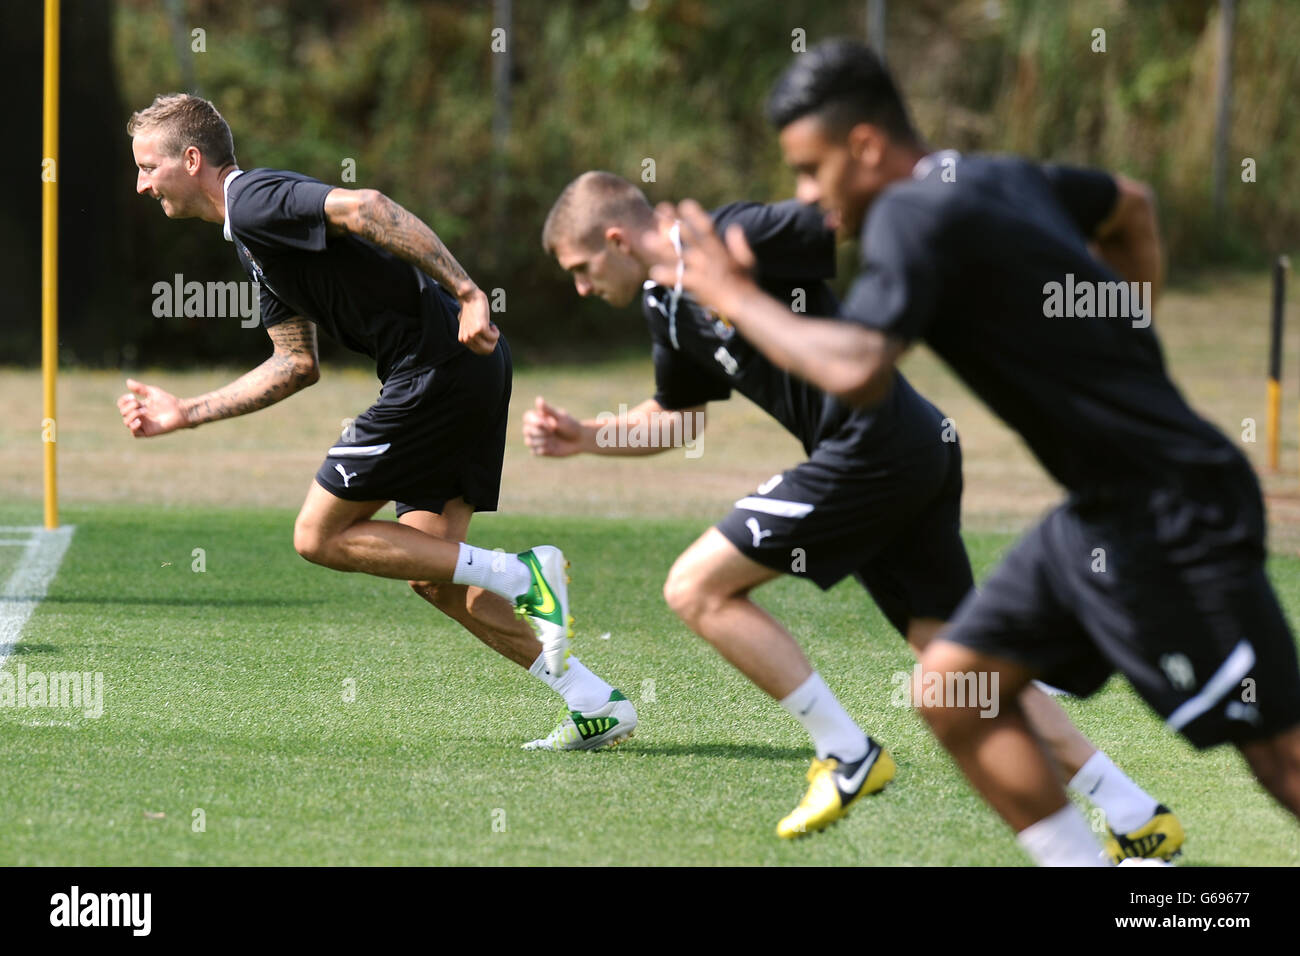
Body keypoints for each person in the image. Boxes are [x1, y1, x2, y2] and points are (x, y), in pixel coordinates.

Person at [656, 40, 1300, 865]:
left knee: (1280, 760)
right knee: (953, 692)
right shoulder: (993, 175)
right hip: (1098, 513)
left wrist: (735, 297)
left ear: (864, 146)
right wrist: (1125, 341)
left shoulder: (909, 216)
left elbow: (857, 368)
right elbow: (1132, 207)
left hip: (1174, 513)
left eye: (812, 170)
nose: (807, 198)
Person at [528, 171, 1182, 856]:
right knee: (963, 673)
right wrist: (589, 436)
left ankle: (847, 754)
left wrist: (774, 242)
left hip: (874, 447)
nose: (580, 288)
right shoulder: (664, 303)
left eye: (581, 270)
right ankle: (1135, 814)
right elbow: (679, 418)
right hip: (901, 450)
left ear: (614, 239)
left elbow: (831, 216)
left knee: (694, 587)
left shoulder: (731, 233)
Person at [117, 93, 635, 751]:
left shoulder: (254, 199)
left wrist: (470, 291)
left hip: (438, 366)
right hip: (457, 368)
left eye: (147, 167)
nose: (140, 184)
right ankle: (593, 702)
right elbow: (295, 363)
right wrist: (184, 413)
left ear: (191, 160)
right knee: (436, 574)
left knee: (318, 535)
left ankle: (522, 575)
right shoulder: (252, 240)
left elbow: (369, 207)